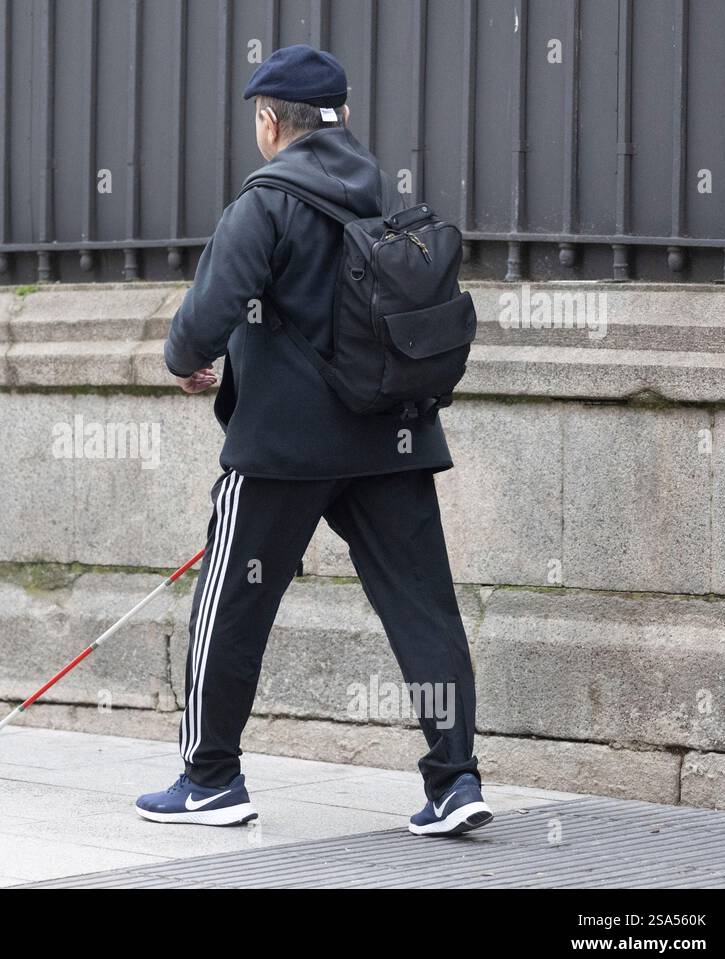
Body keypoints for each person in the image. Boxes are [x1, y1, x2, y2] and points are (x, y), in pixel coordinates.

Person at [134, 45, 491, 837]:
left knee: (234, 602)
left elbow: (203, 317)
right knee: (423, 608)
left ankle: (211, 778)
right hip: (392, 439)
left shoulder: (263, 203)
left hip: (282, 450)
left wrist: (188, 365)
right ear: (345, 118)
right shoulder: (382, 199)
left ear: (269, 122)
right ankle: (455, 781)